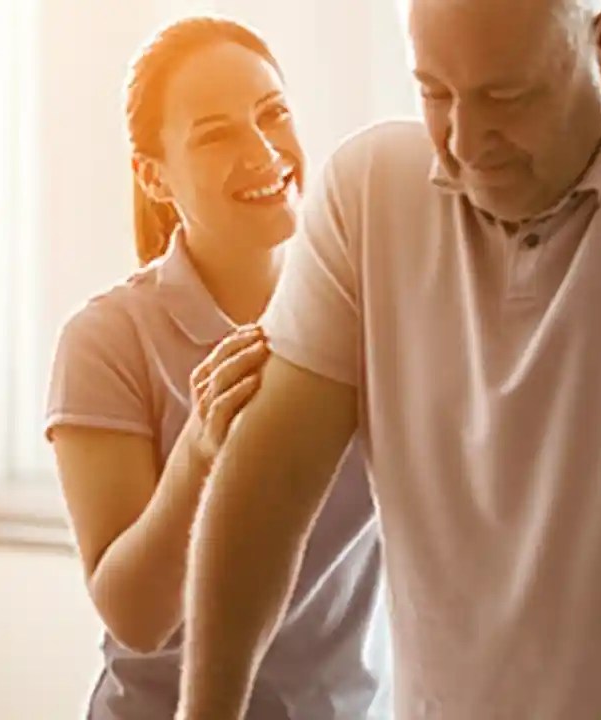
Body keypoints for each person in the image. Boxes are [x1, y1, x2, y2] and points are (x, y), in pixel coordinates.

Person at [177, 0, 601, 718]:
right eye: (434, 92)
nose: (467, 141)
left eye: (506, 96)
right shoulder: (365, 192)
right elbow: (268, 481)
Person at [43, 15, 389, 720]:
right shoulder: (106, 340)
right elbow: (136, 616)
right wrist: (201, 450)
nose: (262, 150)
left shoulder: (372, 314)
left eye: (273, 114)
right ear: (153, 176)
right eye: (215, 134)